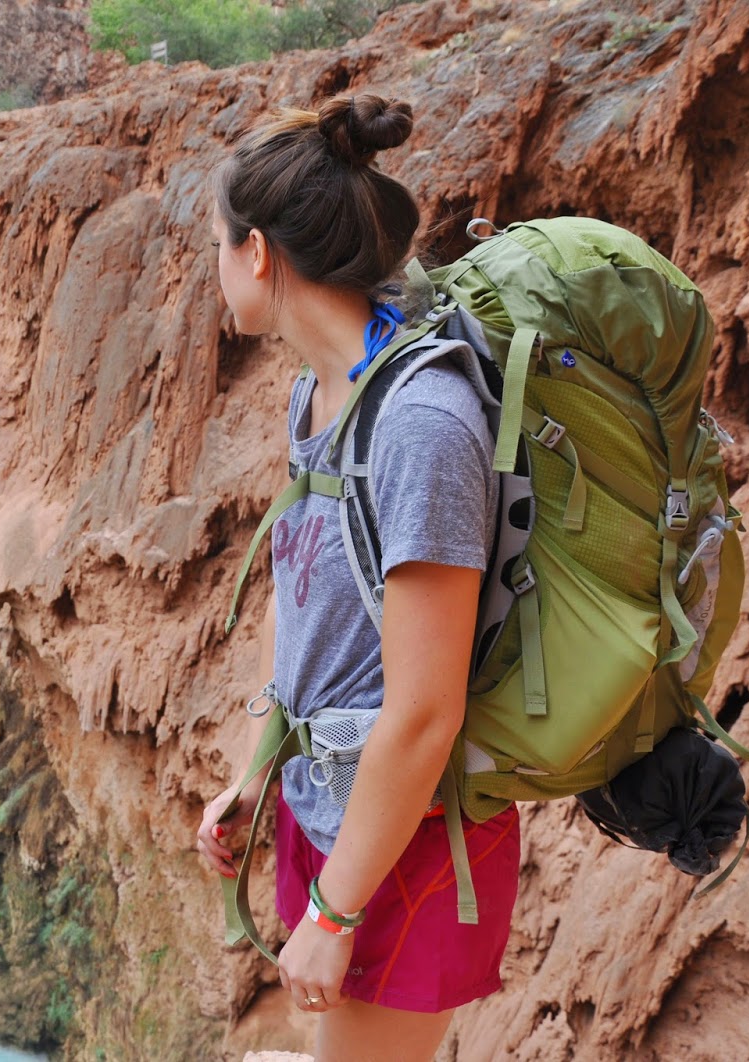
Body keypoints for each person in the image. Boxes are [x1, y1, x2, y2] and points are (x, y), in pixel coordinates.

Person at [194, 94, 522, 1061]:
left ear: (258, 252)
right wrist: (256, 774)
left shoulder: (421, 423)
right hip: (327, 811)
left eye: (218, 244)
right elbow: (303, 603)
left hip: (409, 843)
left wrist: (335, 917)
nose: (216, 269)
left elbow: (424, 711)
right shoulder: (320, 390)